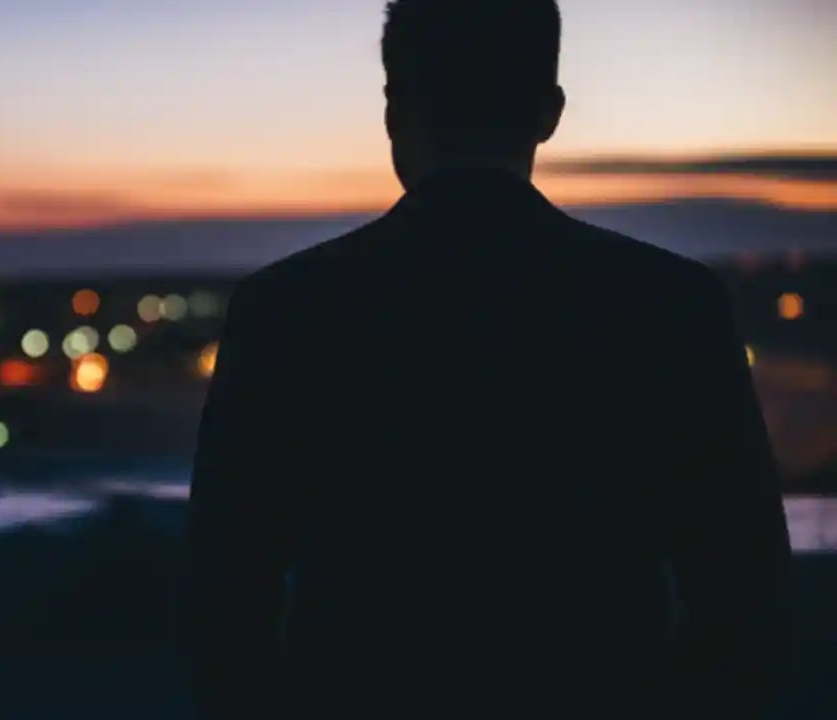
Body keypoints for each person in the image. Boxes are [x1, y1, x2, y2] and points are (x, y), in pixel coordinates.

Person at [184, 1, 791, 718]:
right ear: (549, 112)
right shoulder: (671, 304)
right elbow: (744, 587)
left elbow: (226, 595)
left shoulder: (285, 309)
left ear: (394, 108)